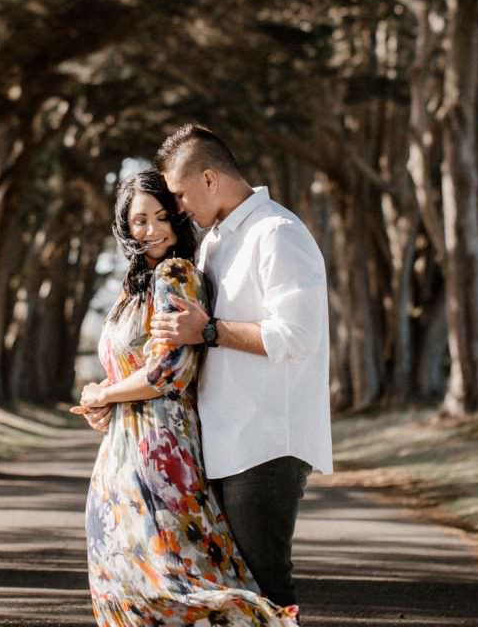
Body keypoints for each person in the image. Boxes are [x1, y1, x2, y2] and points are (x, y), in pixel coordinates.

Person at [74, 168, 298, 627]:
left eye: (162, 217)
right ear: (124, 226)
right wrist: (101, 403)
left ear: (178, 220)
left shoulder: (177, 274)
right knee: (124, 586)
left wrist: (105, 393)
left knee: (176, 584)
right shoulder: (131, 290)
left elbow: (169, 371)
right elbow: (124, 370)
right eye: (140, 220)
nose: (152, 230)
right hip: (119, 460)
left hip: (163, 455)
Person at [149, 124, 332, 612]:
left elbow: (298, 336)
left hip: (267, 441)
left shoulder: (277, 233)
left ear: (209, 178)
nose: (178, 207)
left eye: (181, 193)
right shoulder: (215, 242)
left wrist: (209, 330)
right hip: (223, 440)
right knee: (235, 588)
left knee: (266, 586)